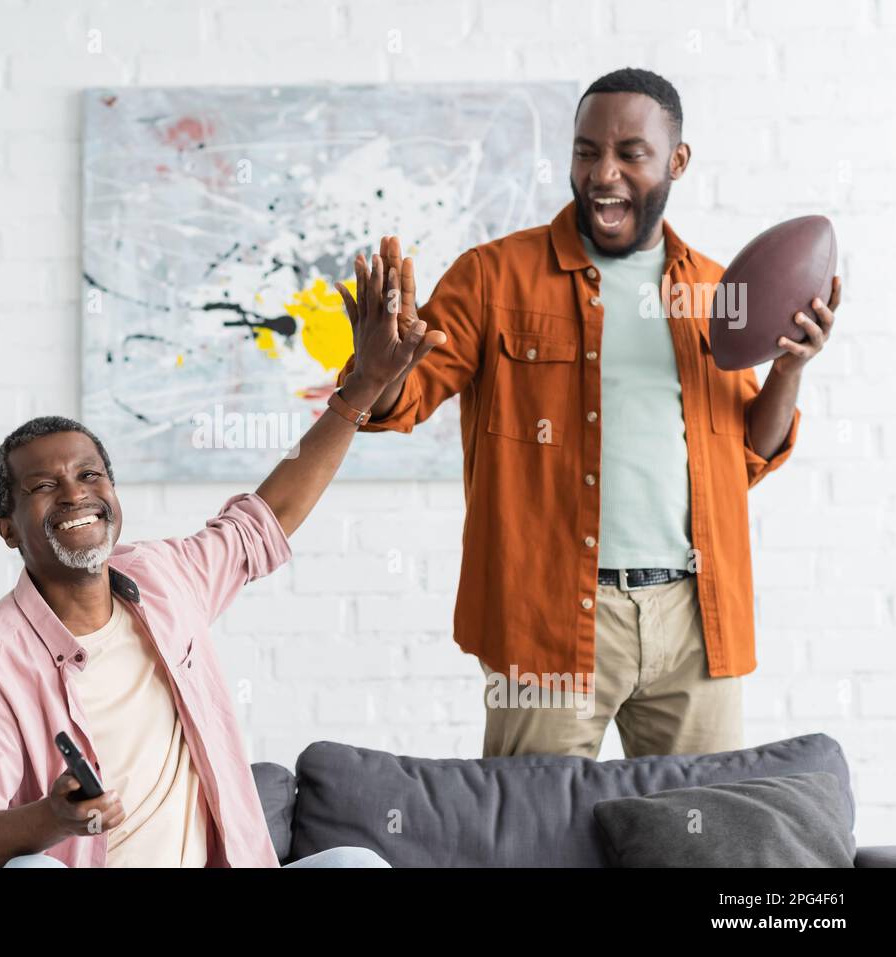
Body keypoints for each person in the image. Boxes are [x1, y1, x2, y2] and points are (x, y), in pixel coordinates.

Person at [335, 67, 838, 760]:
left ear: (677, 162)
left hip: (696, 619)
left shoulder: (712, 291)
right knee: (533, 838)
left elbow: (746, 455)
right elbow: (406, 399)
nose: (604, 173)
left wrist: (788, 369)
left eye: (631, 153)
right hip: (547, 619)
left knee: (701, 832)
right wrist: (377, 373)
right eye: (586, 150)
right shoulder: (493, 278)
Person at [0, 254, 432, 867]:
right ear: (7, 529)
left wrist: (365, 386)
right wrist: (50, 818)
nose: (76, 493)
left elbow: (266, 518)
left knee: (356, 865)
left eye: (89, 475)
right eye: (43, 487)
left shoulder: (164, 579)